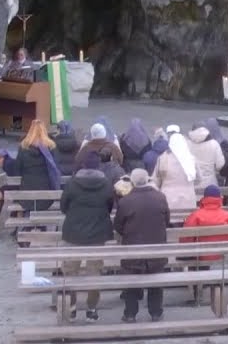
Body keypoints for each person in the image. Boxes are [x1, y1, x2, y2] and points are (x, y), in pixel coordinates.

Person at [59, 151, 114, 321]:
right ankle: (92, 308)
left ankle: (72, 307)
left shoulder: (72, 183)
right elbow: (109, 207)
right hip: (97, 233)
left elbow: (63, 206)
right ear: (98, 165)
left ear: (83, 165)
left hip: (73, 232)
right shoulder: (106, 183)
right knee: (94, 272)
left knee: (70, 271)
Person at [114, 169, 170, 323]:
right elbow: (166, 220)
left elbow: (118, 225)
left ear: (132, 182)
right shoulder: (160, 197)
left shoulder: (126, 201)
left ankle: (130, 314)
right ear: (147, 180)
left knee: (131, 280)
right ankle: (156, 313)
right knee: (156, 280)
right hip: (156, 247)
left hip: (132, 248)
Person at [180, 184, 228, 262]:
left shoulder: (195, 215)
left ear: (204, 198)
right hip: (222, 257)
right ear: (220, 198)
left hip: (201, 257)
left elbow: (186, 238)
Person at [14, 120, 61, 208]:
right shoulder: (51, 146)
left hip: (26, 196)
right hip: (46, 197)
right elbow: (56, 166)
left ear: (30, 131)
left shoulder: (23, 146)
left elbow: (17, 168)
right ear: (44, 131)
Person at [153, 125, 199, 212]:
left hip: (168, 198)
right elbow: (198, 179)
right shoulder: (191, 159)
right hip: (188, 199)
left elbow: (156, 181)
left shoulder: (163, 158)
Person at [188, 125, 226, 193]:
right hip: (210, 182)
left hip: (192, 183)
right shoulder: (214, 143)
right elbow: (220, 164)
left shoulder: (187, 143)